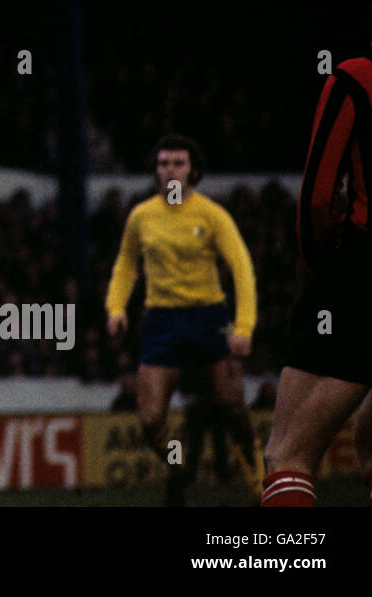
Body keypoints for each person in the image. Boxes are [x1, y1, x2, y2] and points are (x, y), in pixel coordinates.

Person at [104, 135, 261, 506]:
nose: (170, 170)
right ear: (155, 170)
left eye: (177, 163)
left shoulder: (212, 215)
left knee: (232, 406)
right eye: (163, 163)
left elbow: (241, 268)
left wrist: (243, 327)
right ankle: (178, 468)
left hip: (209, 317)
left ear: (193, 170)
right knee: (150, 422)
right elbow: (126, 264)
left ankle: (260, 489)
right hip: (162, 322)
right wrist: (116, 308)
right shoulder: (142, 216)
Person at [263, 3, 372, 506]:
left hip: (361, 271)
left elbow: (317, 193)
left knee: (288, 455)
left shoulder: (355, 77)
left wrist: (320, 267)